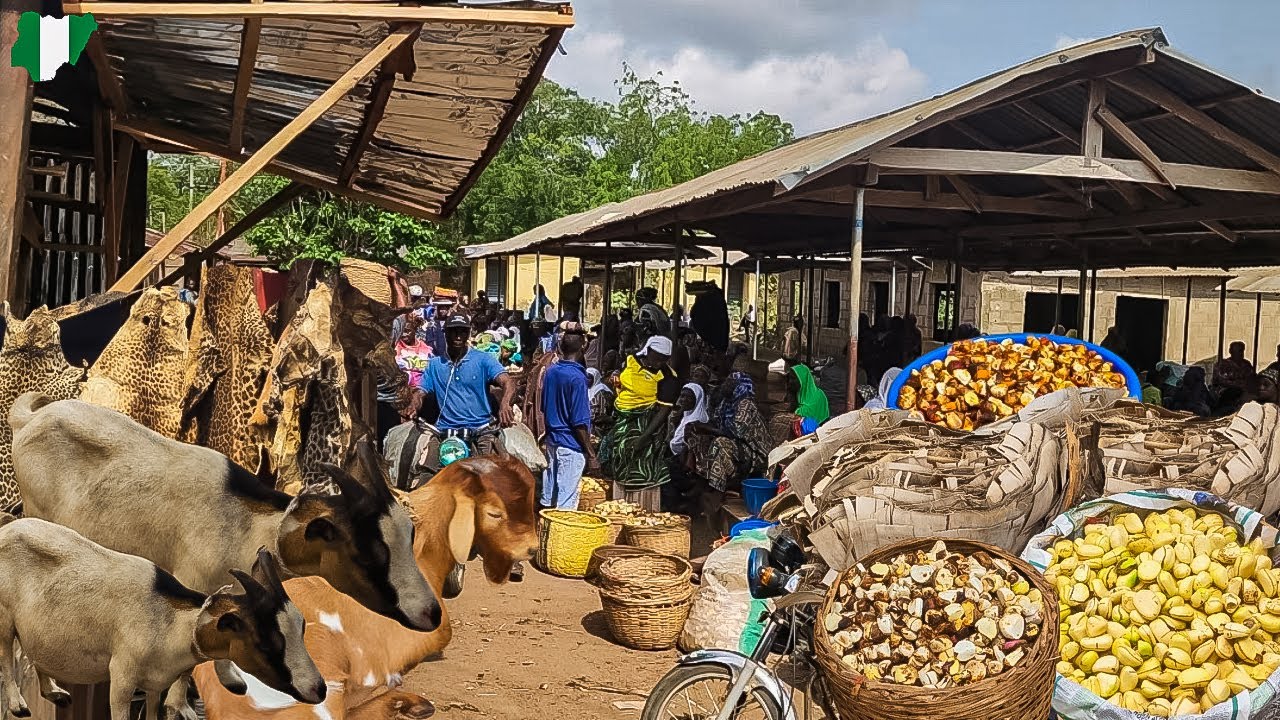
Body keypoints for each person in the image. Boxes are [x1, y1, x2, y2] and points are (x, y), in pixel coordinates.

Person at [407, 315, 516, 466]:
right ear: (445, 333)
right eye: (453, 331)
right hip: (445, 433)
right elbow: (420, 392)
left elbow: (508, 382)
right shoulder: (434, 365)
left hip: (481, 430)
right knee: (423, 473)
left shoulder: (484, 359)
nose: (458, 336)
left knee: (493, 477)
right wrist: (414, 403)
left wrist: (505, 404)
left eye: (463, 332)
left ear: (468, 333)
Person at [599, 336, 680, 496]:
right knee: (617, 459)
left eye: (663, 360)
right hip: (623, 420)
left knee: (641, 467)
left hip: (646, 424)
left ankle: (641, 505)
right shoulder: (631, 360)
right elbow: (621, 381)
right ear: (648, 351)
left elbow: (663, 412)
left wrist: (643, 437)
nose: (658, 364)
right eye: (656, 359)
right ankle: (619, 502)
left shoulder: (668, 378)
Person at [687, 372, 773, 521]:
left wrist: (707, 428)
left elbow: (736, 431)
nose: (725, 384)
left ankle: (716, 493)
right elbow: (716, 422)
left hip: (756, 453)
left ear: (739, 385)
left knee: (720, 444)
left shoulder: (746, 404)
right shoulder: (727, 403)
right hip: (739, 447)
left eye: (730, 381)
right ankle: (702, 483)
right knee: (700, 439)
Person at [540, 326, 601, 510]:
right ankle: (558, 539)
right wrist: (591, 454)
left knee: (549, 500)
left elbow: (544, 406)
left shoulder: (551, 371)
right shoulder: (577, 378)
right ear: (583, 346)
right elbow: (579, 422)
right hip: (570, 446)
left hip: (552, 442)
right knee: (565, 506)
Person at [394, 314, 434, 388]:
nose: (403, 334)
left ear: (414, 330)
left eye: (407, 331)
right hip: (402, 390)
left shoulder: (426, 350)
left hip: (423, 390)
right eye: (401, 331)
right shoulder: (395, 349)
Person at [669, 383, 709, 456]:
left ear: (697, 399)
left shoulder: (696, 421)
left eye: (689, 397)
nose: (684, 400)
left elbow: (677, 444)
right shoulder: (687, 416)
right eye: (682, 396)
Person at [690, 282, 730, 354]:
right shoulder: (717, 299)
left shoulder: (707, 300)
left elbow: (694, 314)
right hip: (717, 338)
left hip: (714, 336)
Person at [587, 367, 615, 432]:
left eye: (589, 378)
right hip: (591, 424)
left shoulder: (601, 391)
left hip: (602, 427)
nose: (586, 380)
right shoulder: (589, 390)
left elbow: (602, 414)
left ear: (595, 378)